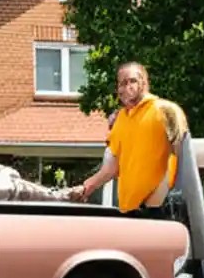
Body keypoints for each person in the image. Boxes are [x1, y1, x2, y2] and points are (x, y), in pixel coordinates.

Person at [75, 62, 188, 216]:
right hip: (128, 210)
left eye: (132, 81)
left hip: (159, 210)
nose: (126, 87)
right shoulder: (120, 119)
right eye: (121, 83)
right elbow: (110, 168)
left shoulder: (167, 111)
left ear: (145, 83)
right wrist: (85, 188)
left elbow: (184, 159)